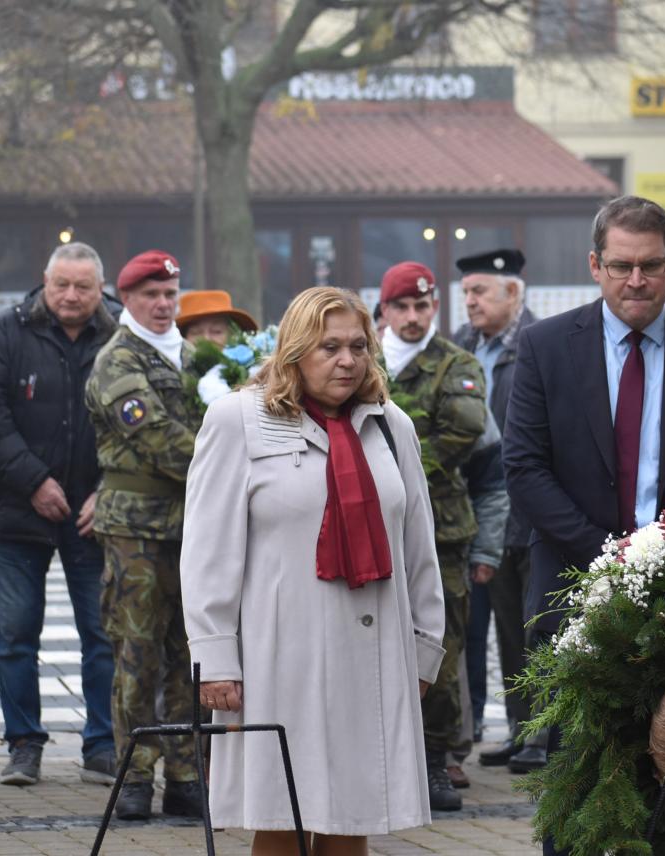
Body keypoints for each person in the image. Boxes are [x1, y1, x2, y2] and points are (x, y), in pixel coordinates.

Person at [503, 195, 665, 856]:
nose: (636, 281)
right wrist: (615, 555)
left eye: (650, 265)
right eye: (621, 266)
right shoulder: (544, 348)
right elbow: (525, 469)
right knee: (578, 785)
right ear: (595, 265)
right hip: (572, 591)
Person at [180, 286, 445, 856]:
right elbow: (207, 551)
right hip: (280, 660)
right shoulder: (238, 420)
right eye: (329, 347)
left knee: (352, 815)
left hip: (370, 656)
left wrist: (424, 648)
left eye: (358, 346)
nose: (347, 360)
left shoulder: (389, 425)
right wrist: (215, 657)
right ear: (295, 351)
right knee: (283, 815)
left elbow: (419, 546)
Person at [0, 242, 118, 787]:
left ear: (101, 288)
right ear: (44, 282)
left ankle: (102, 743)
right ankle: (23, 744)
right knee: (16, 634)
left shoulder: (120, 333)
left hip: (95, 515)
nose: (71, 297)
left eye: (83, 287)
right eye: (62, 285)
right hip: (18, 510)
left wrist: (110, 490)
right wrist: (32, 480)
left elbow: (134, 425)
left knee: (102, 634)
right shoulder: (7, 330)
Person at [84, 250, 203, 821]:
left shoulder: (192, 357)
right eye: (150, 295)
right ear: (125, 299)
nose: (162, 305)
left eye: (169, 294)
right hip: (136, 529)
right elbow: (155, 437)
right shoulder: (118, 360)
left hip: (193, 525)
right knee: (137, 654)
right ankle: (134, 774)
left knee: (188, 652)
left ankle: (185, 772)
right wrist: (228, 463)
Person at [380, 261, 488, 811]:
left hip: (439, 529)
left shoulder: (456, 364)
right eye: (402, 306)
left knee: (438, 645)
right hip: (367, 525)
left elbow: (462, 431)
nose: (413, 317)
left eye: (422, 306)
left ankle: (435, 757)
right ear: (385, 309)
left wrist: (383, 466)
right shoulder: (364, 358)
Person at [453, 248, 546, 773]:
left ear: (513, 293)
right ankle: (518, 730)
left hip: (529, 514)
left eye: (480, 291)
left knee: (536, 630)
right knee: (500, 632)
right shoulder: (461, 348)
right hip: (478, 515)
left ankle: (543, 735)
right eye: (466, 292)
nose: (470, 302)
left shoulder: (538, 345)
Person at [176, 289, 258, 346]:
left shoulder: (252, 370)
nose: (206, 339)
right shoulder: (170, 369)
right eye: (196, 332)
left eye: (216, 331)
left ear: (232, 335)